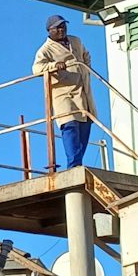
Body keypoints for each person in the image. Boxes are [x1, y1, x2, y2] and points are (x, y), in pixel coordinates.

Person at [33, 14, 96, 169]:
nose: (62, 30)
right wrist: (55, 66)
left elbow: (86, 55)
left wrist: (84, 70)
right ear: (49, 30)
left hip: (83, 91)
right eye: (58, 27)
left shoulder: (76, 41)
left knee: (85, 125)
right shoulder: (45, 50)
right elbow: (36, 68)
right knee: (70, 125)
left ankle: (78, 163)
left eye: (63, 26)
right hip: (64, 93)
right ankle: (73, 166)